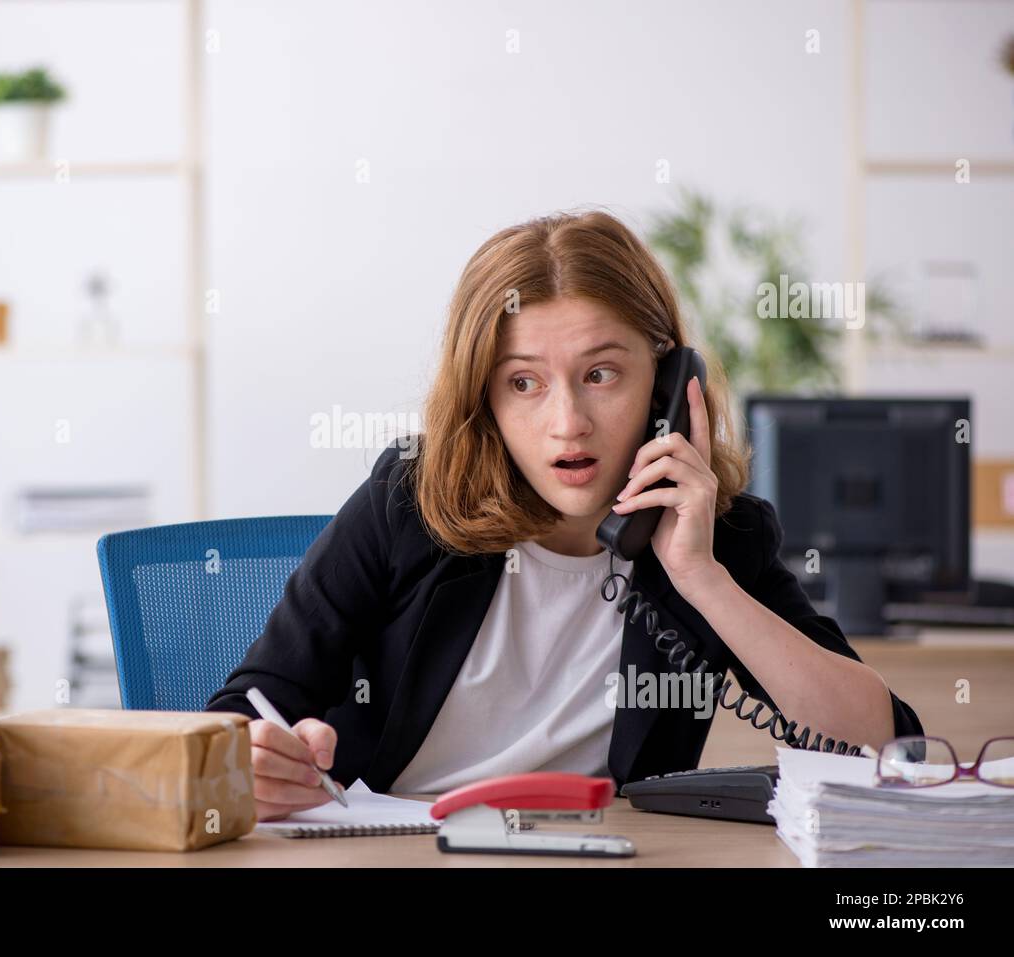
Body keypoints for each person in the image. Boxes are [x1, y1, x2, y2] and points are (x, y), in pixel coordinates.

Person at [205, 209, 924, 822]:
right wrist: (259, 760)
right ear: (482, 396)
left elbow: (881, 745)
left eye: (601, 374)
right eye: (524, 382)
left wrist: (702, 578)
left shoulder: (716, 537)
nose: (566, 423)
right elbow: (245, 706)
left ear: (670, 384)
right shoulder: (409, 502)